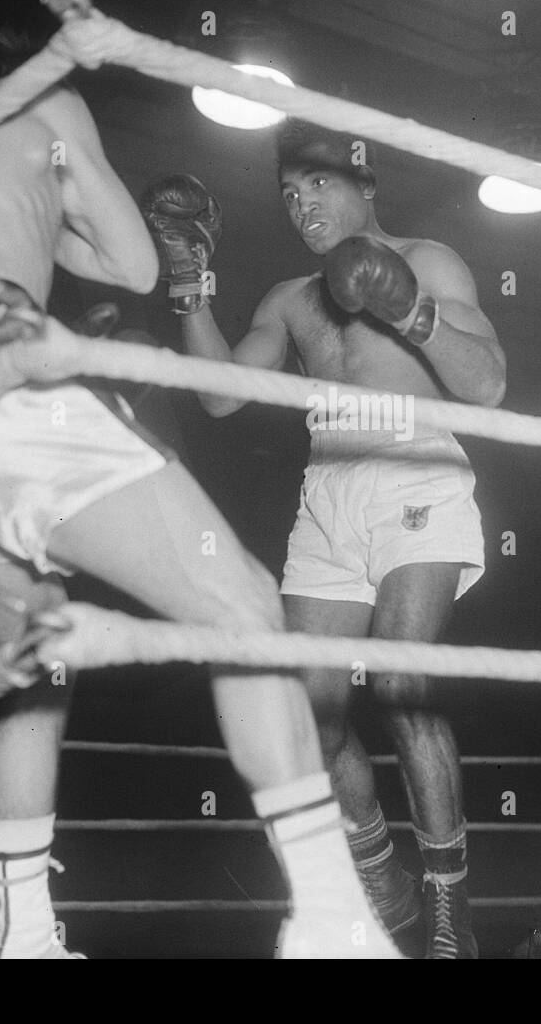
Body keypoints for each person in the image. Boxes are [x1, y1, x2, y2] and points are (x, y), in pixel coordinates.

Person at [0, 19, 397, 958]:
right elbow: (134, 266)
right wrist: (109, 232)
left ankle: (21, 933)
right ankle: (329, 916)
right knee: (245, 609)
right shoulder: (48, 103)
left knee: (43, 659)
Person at [159, 119, 506, 958]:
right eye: (288, 194)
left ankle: (451, 900)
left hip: (416, 470)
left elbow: (490, 385)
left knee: (401, 690)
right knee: (308, 716)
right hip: (327, 493)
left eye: (316, 185)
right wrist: (189, 294)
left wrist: (410, 310)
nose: (300, 204)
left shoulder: (431, 259)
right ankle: (380, 870)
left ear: (364, 181)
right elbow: (219, 397)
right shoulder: (287, 297)